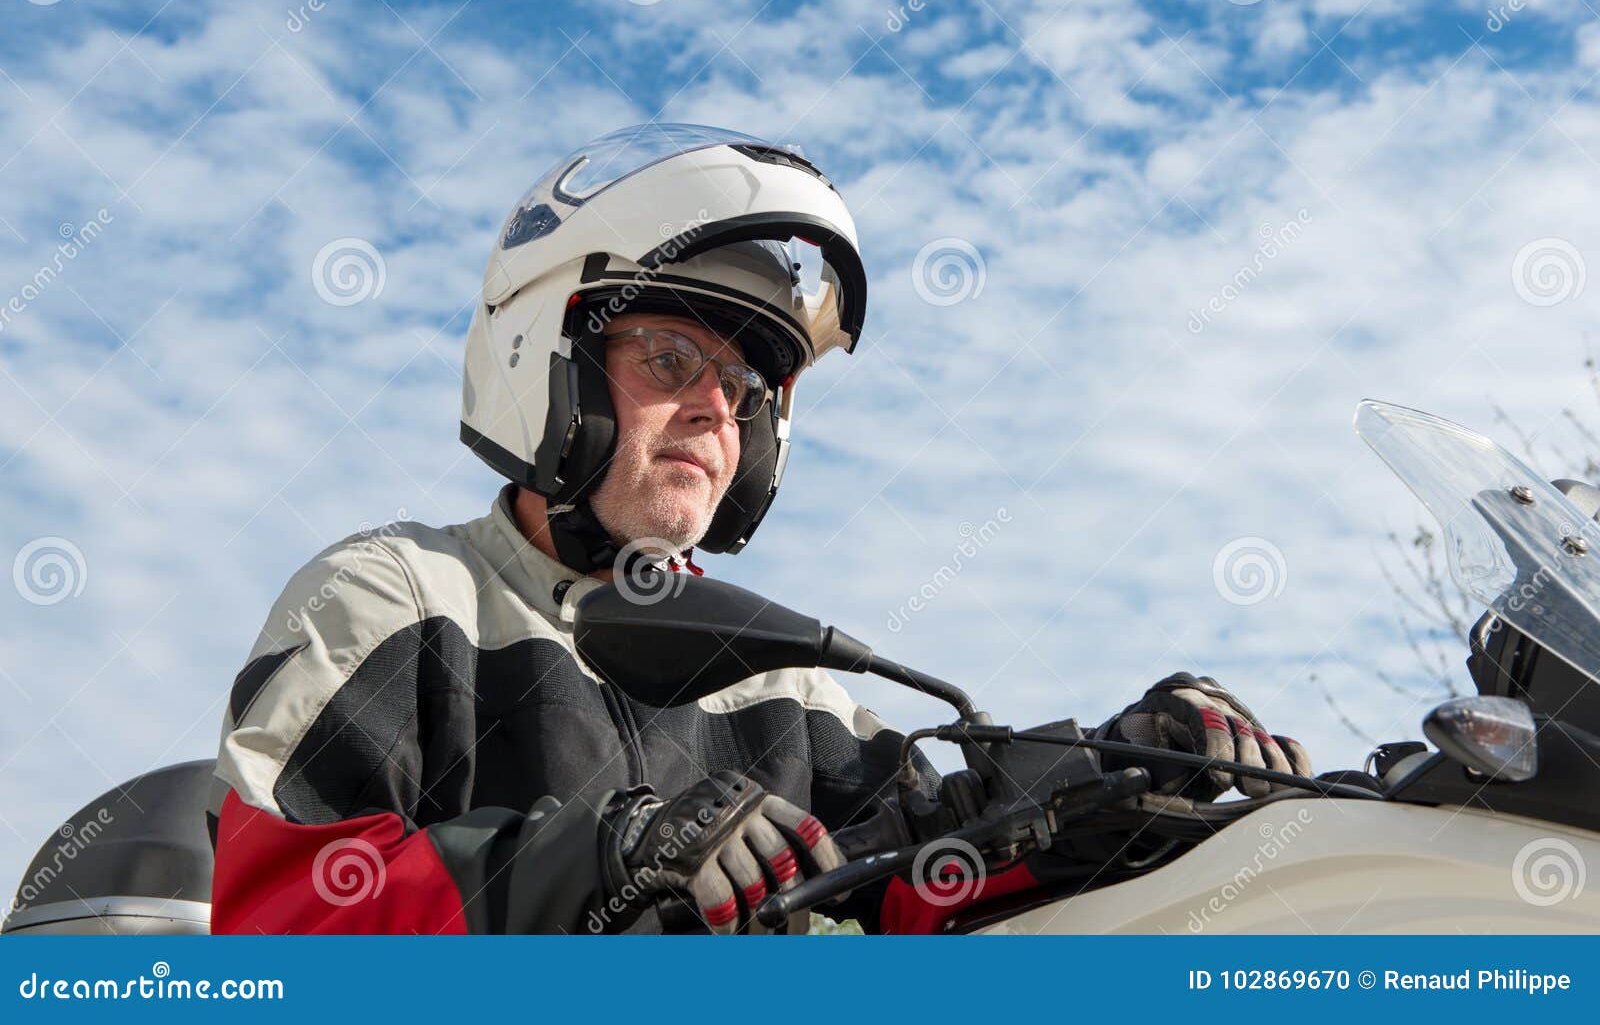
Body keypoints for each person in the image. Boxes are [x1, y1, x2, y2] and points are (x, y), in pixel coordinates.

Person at [207, 124, 1310, 935]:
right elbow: (271, 911)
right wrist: (598, 856)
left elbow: (929, 880)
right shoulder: (400, 599)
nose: (713, 410)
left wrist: (1106, 784)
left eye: (744, 388)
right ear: (549, 366)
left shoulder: (783, 685)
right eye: (669, 362)